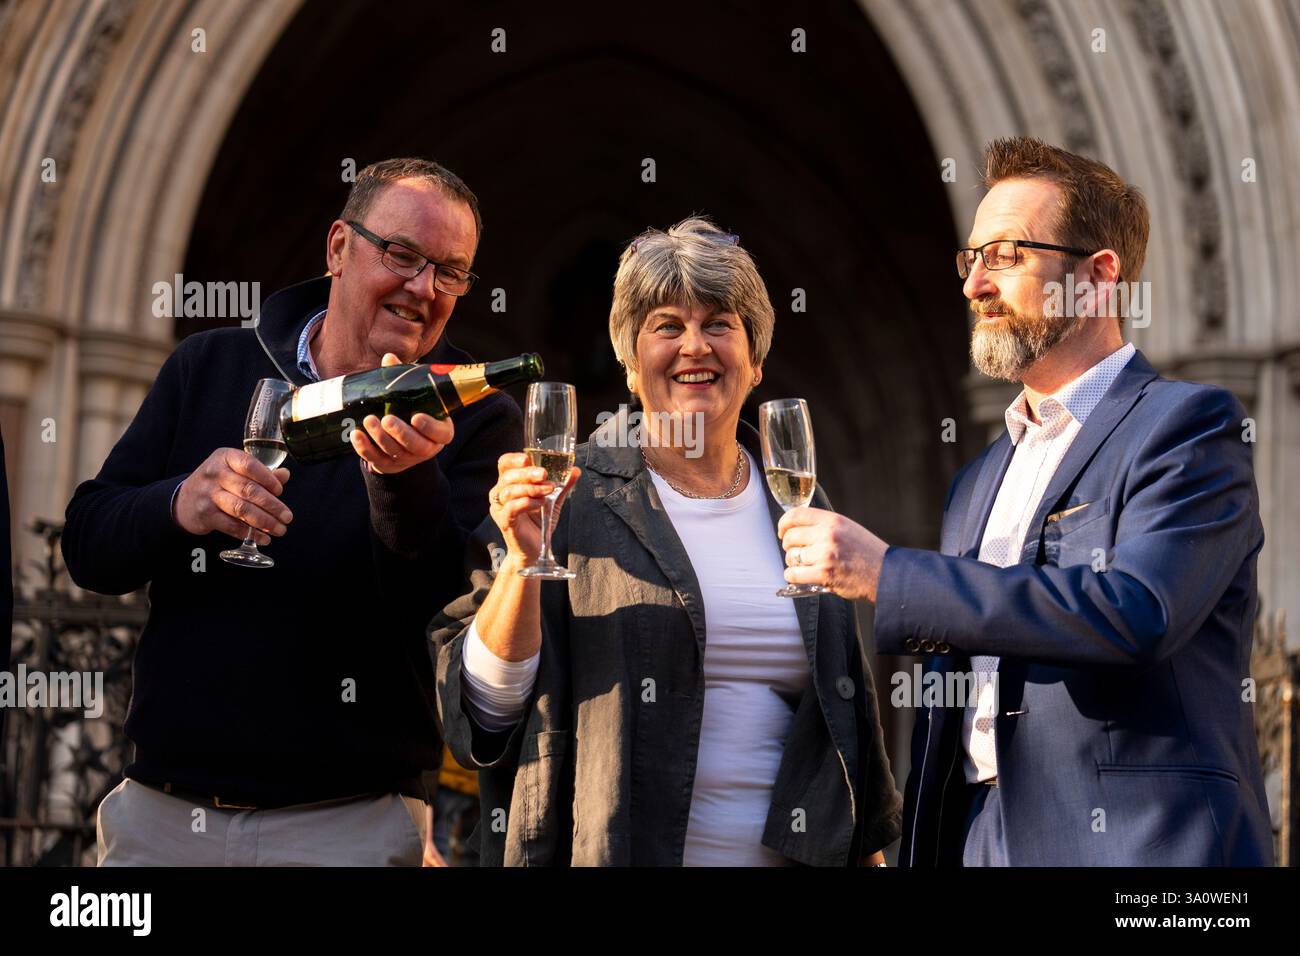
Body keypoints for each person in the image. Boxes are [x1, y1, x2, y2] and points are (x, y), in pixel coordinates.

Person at [778, 137, 1273, 866]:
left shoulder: (1187, 428)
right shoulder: (977, 478)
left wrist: (892, 575)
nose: (975, 284)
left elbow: (1138, 612)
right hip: (975, 836)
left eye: (1005, 255)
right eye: (970, 259)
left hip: (1136, 847)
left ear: (1098, 276)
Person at [62, 158, 522, 866]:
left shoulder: (476, 415)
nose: (422, 287)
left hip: (348, 828)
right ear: (338, 248)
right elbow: (89, 547)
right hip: (162, 815)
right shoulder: (208, 364)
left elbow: (445, 612)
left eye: (450, 272)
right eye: (401, 255)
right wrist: (180, 503)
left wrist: (403, 482)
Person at [431, 217, 901, 866]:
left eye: (719, 324)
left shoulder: (797, 503)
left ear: (756, 359)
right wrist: (519, 562)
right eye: (667, 326)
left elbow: (840, 725)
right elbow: (482, 716)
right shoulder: (568, 496)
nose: (695, 347)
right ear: (628, 363)